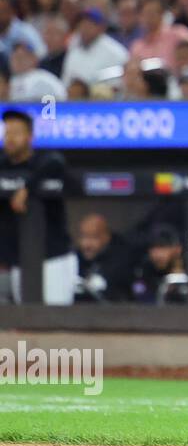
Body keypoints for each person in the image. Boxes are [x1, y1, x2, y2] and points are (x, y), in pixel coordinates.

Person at [0, 109, 75, 304]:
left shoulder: (43, 161)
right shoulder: (3, 164)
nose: (10, 138)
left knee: (55, 324)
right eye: (7, 132)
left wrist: (27, 188)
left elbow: (56, 162)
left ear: (30, 136)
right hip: (19, 261)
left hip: (53, 260)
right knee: (26, 325)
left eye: (16, 133)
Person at [74, 213, 135, 303]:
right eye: (83, 237)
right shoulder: (76, 257)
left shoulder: (122, 257)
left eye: (93, 237)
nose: (86, 244)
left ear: (106, 237)